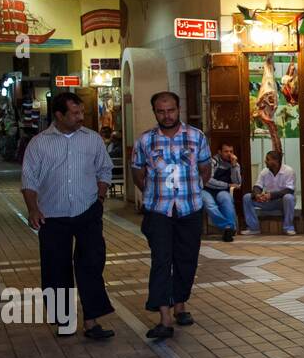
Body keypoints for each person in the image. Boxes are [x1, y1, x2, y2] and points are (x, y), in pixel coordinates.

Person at [19, 92, 115, 339]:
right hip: (52, 216)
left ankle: (92, 321)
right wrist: (33, 209)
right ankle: (64, 320)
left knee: (91, 265)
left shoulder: (92, 139)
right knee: (56, 269)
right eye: (75, 113)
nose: (81, 117)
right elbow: (29, 179)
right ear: (59, 115)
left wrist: (100, 199)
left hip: (87, 212)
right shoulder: (39, 143)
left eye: (82, 112)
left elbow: (105, 170)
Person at [130, 91, 211, 340]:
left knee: (187, 260)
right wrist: (153, 194)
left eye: (171, 110)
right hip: (159, 211)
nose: (167, 115)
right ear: (155, 112)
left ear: (179, 109)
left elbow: (205, 169)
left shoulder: (196, 137)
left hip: (190, 209)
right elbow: (137, 173)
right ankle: (164, 317)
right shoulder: (145, 141)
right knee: (161, 261)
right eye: (161, 111)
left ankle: (180, 305)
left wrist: (193, 191)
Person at [240, 150, 296, 235]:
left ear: (276, 161)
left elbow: (289, 190)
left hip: (282, 202)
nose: (265, 161)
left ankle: (288, 227)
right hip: (268, 201)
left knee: (289, 197)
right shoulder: (264, 172)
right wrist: (257, 195)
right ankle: (253, 228)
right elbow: (257, 186)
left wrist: (271, 195)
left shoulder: (288, 171)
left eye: (267, 159)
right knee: (247, 197)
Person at [202, 143, 241, 242]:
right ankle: (228, 227)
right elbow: (207, 181)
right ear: (219, 152)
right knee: (210, 204)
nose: (229, 154)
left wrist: (234, 166)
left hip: (222, 191)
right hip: (206, 190)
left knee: (226, 200)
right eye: (226, 151)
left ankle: (229, 230)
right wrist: (227, 185)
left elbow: (237, 183)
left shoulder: (235, 164)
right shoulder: (212, 162)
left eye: (231, 151)